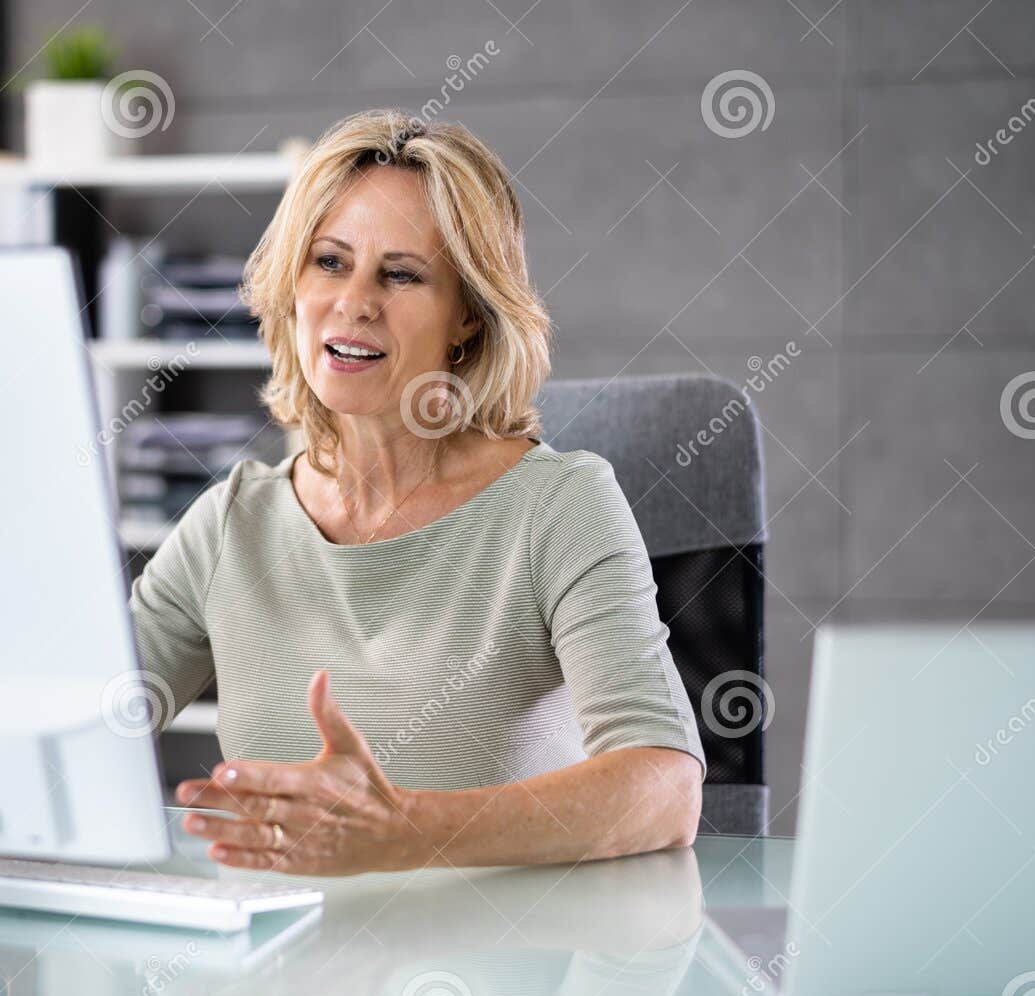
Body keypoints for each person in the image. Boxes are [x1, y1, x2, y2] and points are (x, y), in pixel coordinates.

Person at [131, 109, 704, 876]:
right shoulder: (231, 524)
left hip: (504, 983)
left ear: (468, 316)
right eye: (329, 262)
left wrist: (405, 829)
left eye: (400, 274)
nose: (354, 301)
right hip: (285, 982)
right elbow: (77, 722)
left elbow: (665, 788)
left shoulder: (560, 506)